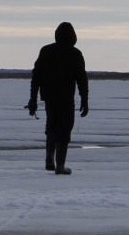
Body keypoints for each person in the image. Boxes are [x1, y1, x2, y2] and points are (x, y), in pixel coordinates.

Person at [27, 22, 89, 174]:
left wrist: (33, 99)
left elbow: (36, 76)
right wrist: (84, 100)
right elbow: (81, 79)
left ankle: (49, 159)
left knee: (52, 126)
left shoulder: (46, 51)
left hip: (49, 96)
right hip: (65, 97)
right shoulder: (75, 53)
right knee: (65, 128)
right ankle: (59, 165)